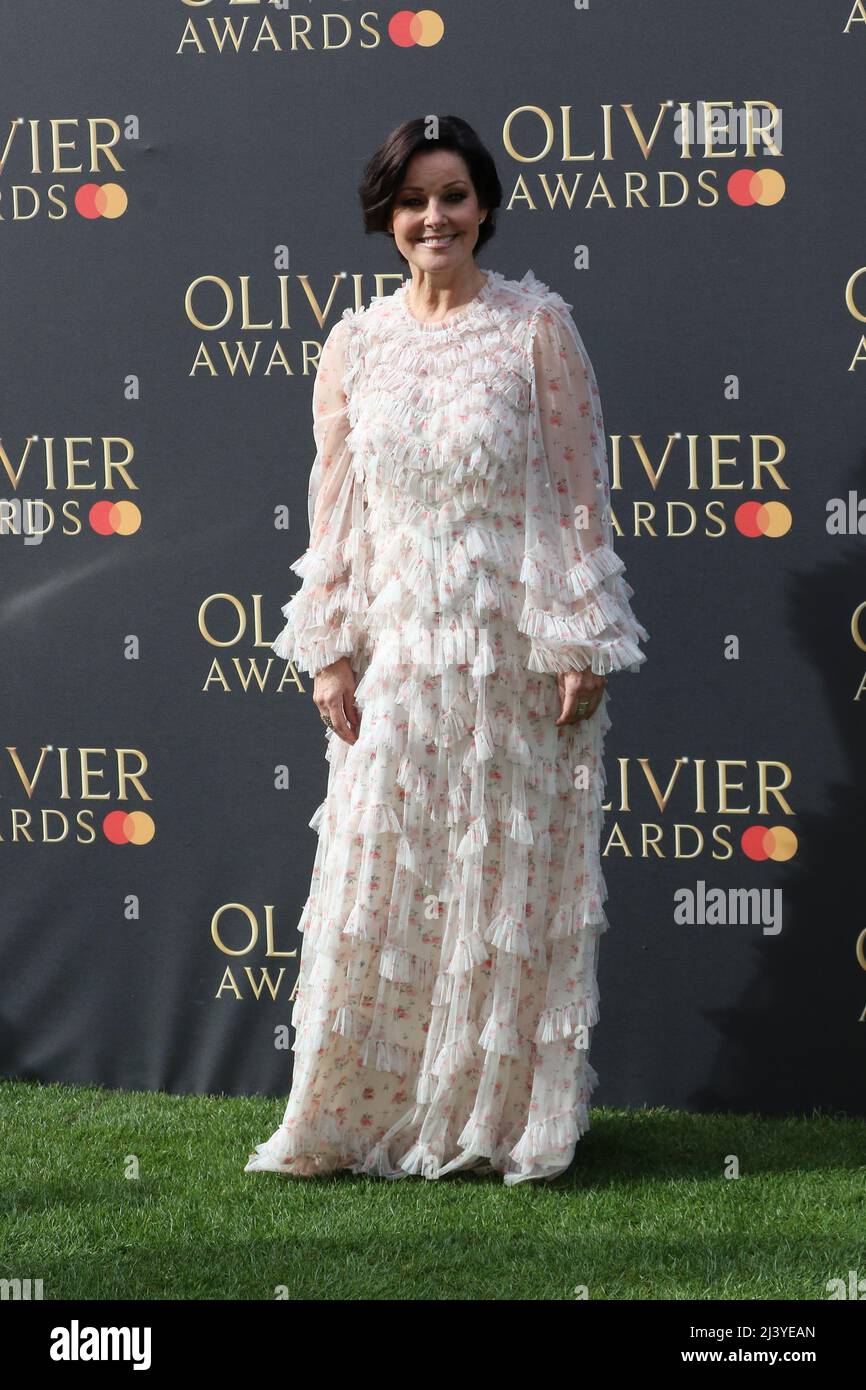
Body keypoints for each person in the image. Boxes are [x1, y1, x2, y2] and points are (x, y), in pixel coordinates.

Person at [244, 116, 648, 1186]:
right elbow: (337, 512)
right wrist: (329, 649)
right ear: (386, 213)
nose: (435, 218)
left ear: (484, 208)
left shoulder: (534, 331)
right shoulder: (353, 344)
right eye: (415, 199)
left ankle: (499, 1121)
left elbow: (573, 498)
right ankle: (343, 1124)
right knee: (376, 881)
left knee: (500, 883)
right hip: (398, 659)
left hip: (509, 661)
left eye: (455, 196)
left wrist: (580, 637)